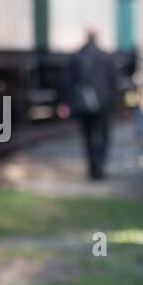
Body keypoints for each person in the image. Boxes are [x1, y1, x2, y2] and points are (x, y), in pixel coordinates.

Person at [62, 29, 120, 180]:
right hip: (102, 105)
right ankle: (100, 166)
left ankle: (92, 167)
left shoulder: (76, 57)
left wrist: (66, 103)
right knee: (103, 136)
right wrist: (113, 102)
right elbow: (114, 81)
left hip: (83, 105)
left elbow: (67, 82)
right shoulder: (106, 57)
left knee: (87, 137)